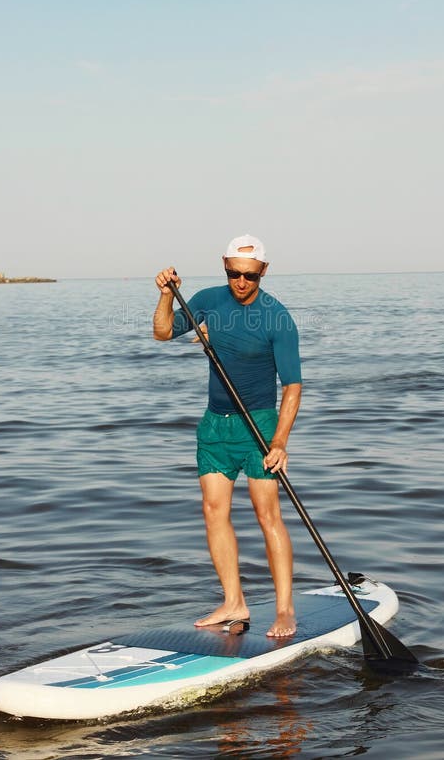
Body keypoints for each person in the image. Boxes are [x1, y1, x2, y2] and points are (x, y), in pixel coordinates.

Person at [153, 234, 302, 637]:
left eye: (250, 275)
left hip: (260, 427)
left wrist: (281, 442)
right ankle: (234, 601)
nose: (241, 282)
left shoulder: (278, 318)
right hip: (215, 425)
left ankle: (285, 608)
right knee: (213, 511)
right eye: (233, 273)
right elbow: (163, 333)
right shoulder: (207, 300)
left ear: (263, 272)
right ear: (224, 266)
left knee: (267, 514)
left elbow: (292, 386)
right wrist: (168, 294)